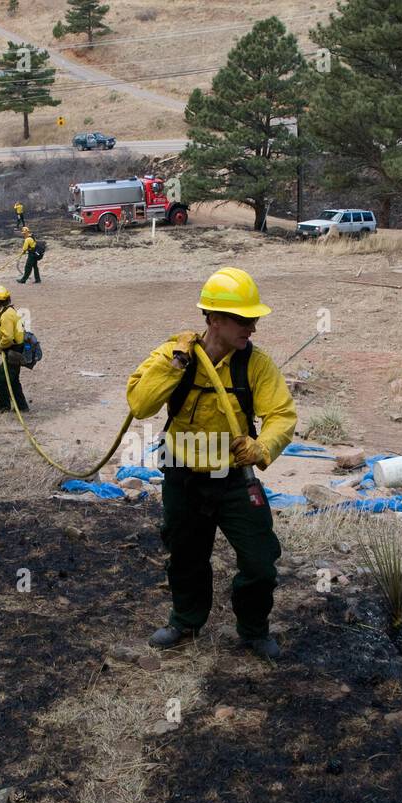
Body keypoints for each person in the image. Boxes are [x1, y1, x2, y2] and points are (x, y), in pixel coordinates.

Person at [126, 267, 297, 660]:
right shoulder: (176, 355)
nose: (252, 327)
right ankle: (185, 620)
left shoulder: (255, 364)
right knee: (186, 553)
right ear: (214, 319)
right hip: (182, 475)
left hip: (234, 479)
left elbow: (282, 415)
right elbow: (140, 404)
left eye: (254, 318)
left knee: (260, 560)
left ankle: (253, 629)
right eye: (244, 319)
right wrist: (175, 363)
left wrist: (262, 446)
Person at [0, 284, 30, 414]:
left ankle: (4, 405)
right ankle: (22, 406)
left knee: (0, 380)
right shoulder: (11, 311)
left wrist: (0, 347)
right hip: (17, 350)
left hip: (13, 351)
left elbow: (8, 337)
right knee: (13, 380)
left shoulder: (6, 315)